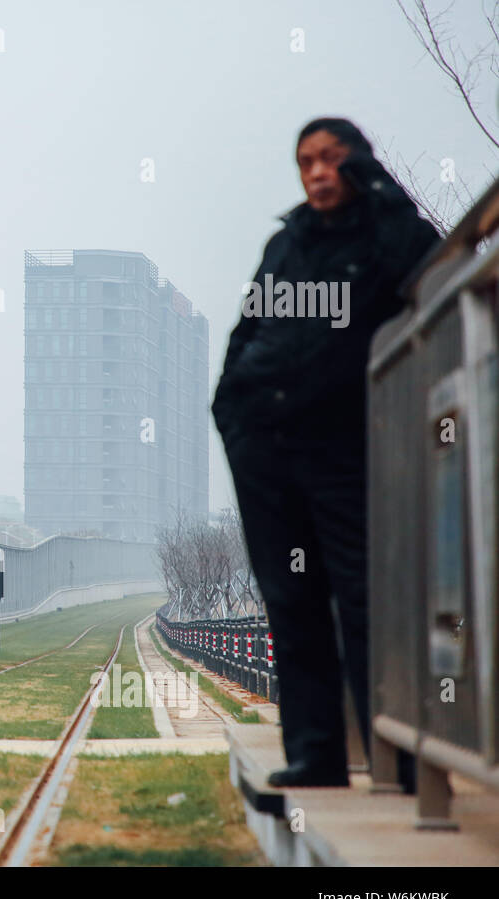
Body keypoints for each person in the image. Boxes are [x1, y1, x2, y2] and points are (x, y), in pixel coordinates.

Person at [212, 118, 439, 789]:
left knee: (366, 598)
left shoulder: (384, 235)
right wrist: (230, 412)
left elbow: (427, 264)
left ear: (359, 164)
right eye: (306, 161)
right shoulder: (286, 243)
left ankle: (395, 755)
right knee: (291, 602)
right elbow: (246, 329)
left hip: (345, 448)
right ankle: (316, 755)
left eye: (332, 160)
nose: (316, 172)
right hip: (264, 449)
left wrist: (378, 185)